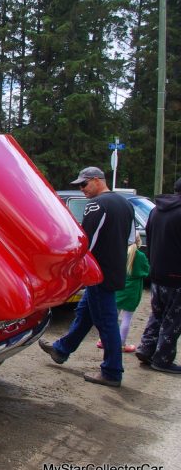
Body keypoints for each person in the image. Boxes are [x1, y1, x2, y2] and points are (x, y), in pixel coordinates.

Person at [38, 166, 134, 387]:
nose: (82, 190)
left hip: (98, 273)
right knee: (85, 313)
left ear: (97, 180)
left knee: (107, 322)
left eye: (84, 184)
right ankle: (62, 349)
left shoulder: (98, 205)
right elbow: (129, 239)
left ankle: (111, 371)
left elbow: (87, 242)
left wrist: (73, 266)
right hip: (113, 270)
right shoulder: (125, 204)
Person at [136, 177, 181, 374]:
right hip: (177, 275)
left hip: (157, 272)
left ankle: (146, 349)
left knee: (157, 313)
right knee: (173, 319)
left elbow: (150, 237)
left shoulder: (156, 210)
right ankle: (162, 360)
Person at [96, 231, 149, 352]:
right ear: (139, 241)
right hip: (133, 292)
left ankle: (104, 340)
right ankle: (121, 343)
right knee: (127, 318)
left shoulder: (120, 253)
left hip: (119, 288)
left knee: (112, 316)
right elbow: (146, 271)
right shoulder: (140, 256)